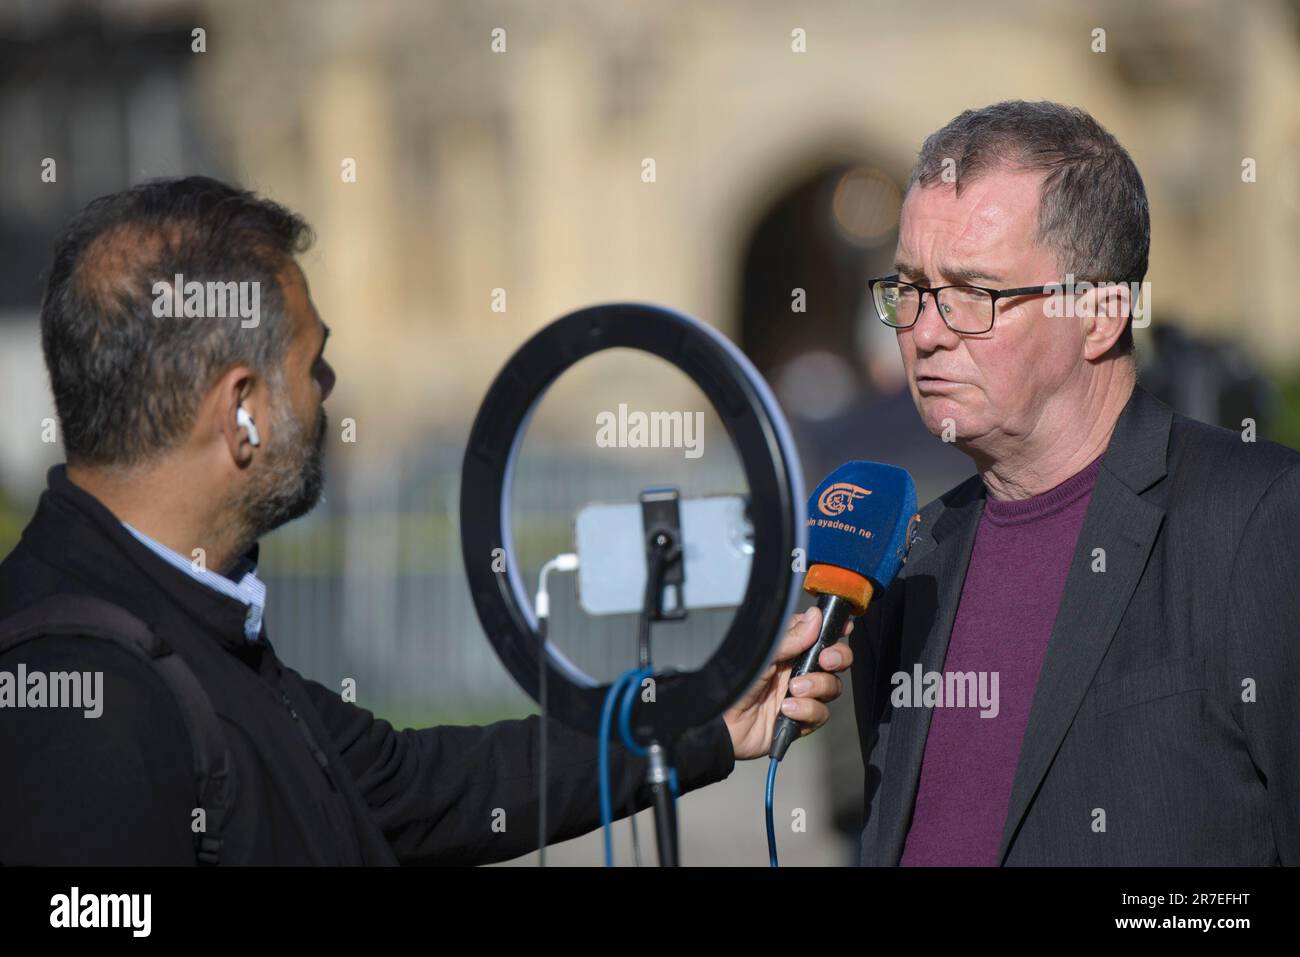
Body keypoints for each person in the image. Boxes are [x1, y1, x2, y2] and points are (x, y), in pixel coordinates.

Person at [0, 176, 851, 865]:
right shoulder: (81, 704)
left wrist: (699, 719)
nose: (329, 390)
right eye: (314, 363)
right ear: (243, 413)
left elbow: (415, 786)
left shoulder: (189, 614)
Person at [852, 100, 1300, 866]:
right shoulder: (909, 560)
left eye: (971, 294)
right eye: (911, 288)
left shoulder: (1259, 521)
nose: (924, 331)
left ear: (1099, 312)